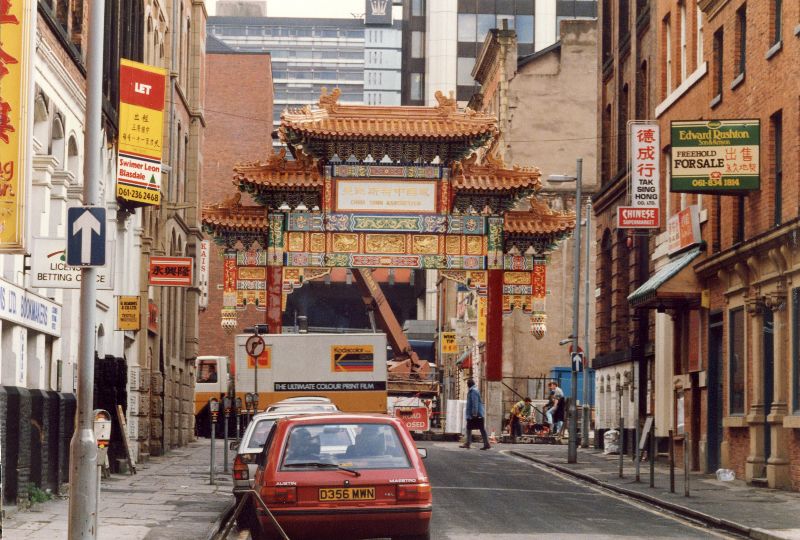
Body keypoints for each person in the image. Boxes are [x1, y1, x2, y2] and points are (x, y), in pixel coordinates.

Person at [461, 379, 491, 450]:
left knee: (473, 428)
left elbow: (475, 403)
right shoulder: (473, 390)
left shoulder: (473, 391)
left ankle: (469, 443)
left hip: (475, 415)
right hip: (476, 414)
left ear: (469, 385)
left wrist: (474, 414)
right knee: (472, 428)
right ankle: (485, 444)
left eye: (467, 384)